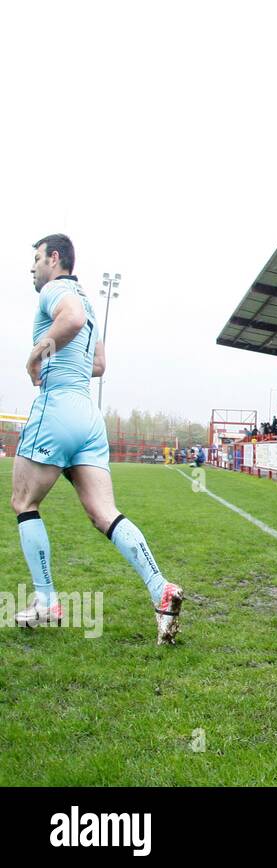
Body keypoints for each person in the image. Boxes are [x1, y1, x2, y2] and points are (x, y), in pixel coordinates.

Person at [11, 235, 185, 642]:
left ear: (55, 258)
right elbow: (100, 364)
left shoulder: (56, 291)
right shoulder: (89, 303)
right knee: (104, 512)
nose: (33, 267)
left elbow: (68, 321)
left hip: (56, 408)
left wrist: (36, 355)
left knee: (24, 501)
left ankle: (46, 600)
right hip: (89, 416)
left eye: (37, 259)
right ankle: (161, 588)